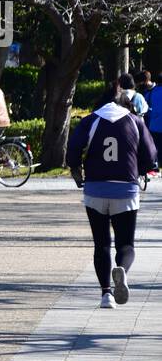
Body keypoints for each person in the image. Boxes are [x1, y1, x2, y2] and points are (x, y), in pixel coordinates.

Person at [67, 87, 157, 309]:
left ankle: (106, 294)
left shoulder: (90, 121)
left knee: (101, 244)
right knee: (126, 244)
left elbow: (72, 152)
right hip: (125, 190)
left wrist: (77, 170)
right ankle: (122, 272)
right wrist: (139, 170)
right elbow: (151, 157)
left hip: (95, 190)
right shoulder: (135, 122)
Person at [138, 70, 162, 168]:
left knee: (156, 147)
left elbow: (146, 110)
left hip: (154, 126)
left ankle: (155, 165)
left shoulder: (149, 93)